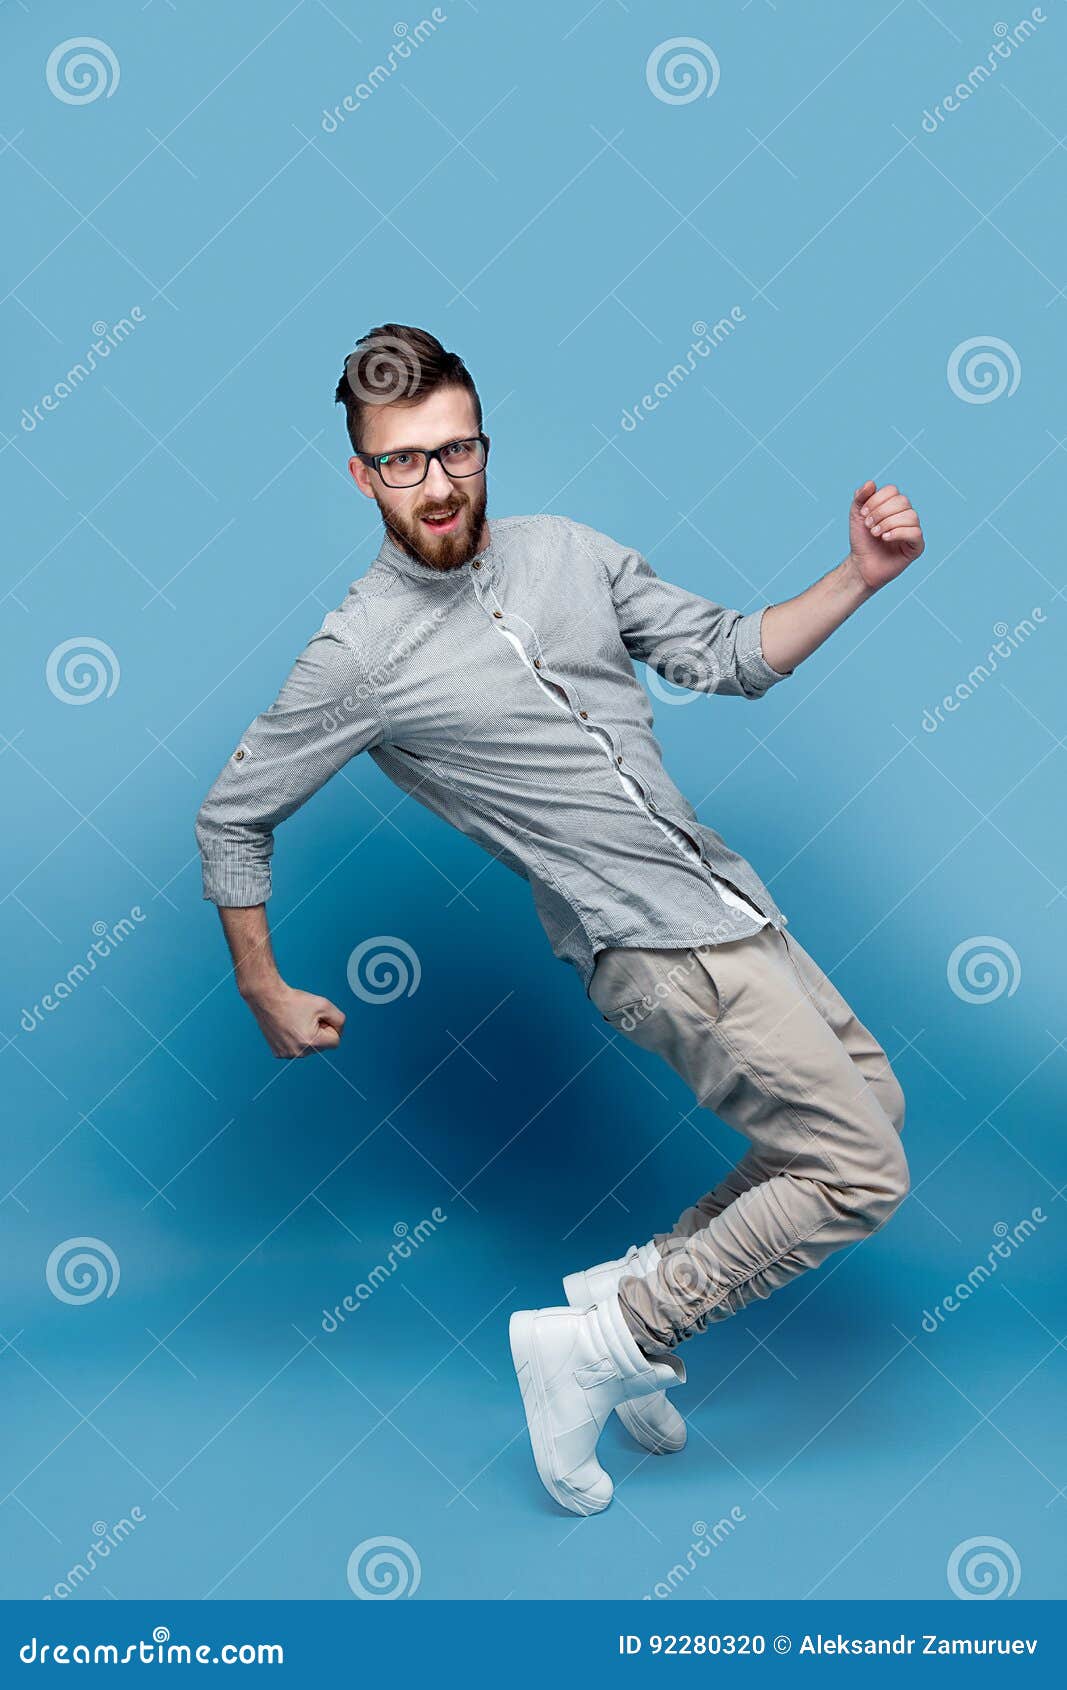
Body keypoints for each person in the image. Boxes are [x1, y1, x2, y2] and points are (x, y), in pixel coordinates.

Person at [195, 324, 924, 1517]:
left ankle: (621, 1298)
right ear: (362, 476)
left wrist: (856, 574)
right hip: (652, 948)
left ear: (483, 444)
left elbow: (726, 655)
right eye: (403, 462)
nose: (438, 484)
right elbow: (232, 816)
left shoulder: (566, 553)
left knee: (867, 1111)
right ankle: (603, 1342)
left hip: (726, 898)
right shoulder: (359, 654)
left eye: (456, 450)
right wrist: (260, 983)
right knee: (855, 1171)